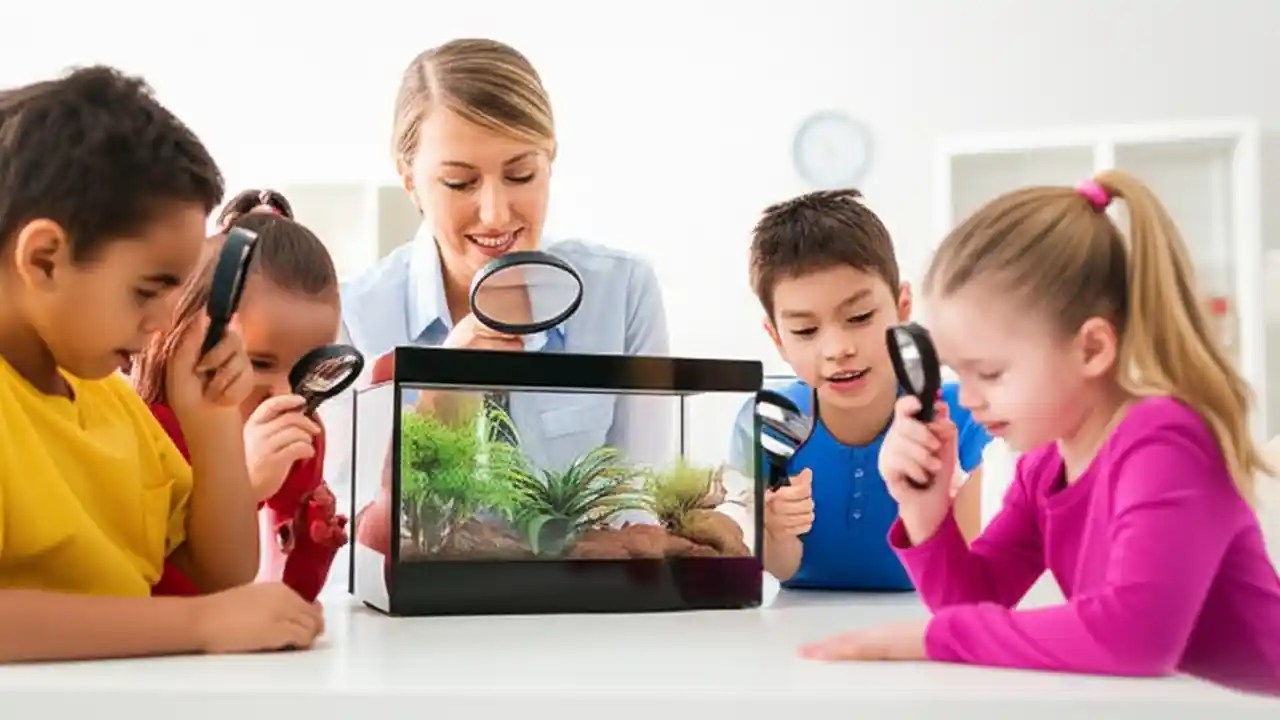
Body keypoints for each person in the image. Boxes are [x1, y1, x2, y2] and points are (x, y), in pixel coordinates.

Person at [798, 171, 1280, 696]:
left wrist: (928, 638)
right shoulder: (1045, 467)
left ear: (1092, 348)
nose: (970, 398)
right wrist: (925, 511)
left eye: (993, 373)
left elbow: (1133, 636)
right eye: (963, 372)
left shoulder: (1165, 442)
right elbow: (973, 605)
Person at [0, 66, 322, 662]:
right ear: (44, 259)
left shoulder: (107, 398)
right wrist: (197, 625)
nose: (161, 323)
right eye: (147, 291)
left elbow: (220, 573)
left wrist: (214, 422)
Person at [328, 37, 671, 482]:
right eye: (459, 182)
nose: (494, 213)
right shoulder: (353, 320)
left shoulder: (623, 292)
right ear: (409, 180)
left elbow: (642, 501)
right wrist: (440, 399)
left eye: (521, 175)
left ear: (550, 161)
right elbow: (356, 536)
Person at [731, 189, 991, 590]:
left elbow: (967, 569)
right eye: (805, 331)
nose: (838, 350)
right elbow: (783, 567)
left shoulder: (961, 415)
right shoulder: (766, 421)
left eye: (860, 316)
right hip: (793, 636)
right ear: (777, 338)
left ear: (903, 306)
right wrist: (776, 531)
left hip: (923, 623)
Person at [131, 189, 349, 603]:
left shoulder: (298, 430)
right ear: (183, 339)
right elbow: (151, 588)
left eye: (310, 367)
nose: (285, 392)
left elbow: (291, 595)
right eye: (260, 363)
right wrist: (243, 488)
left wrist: (313, 540)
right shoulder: (146, 435)